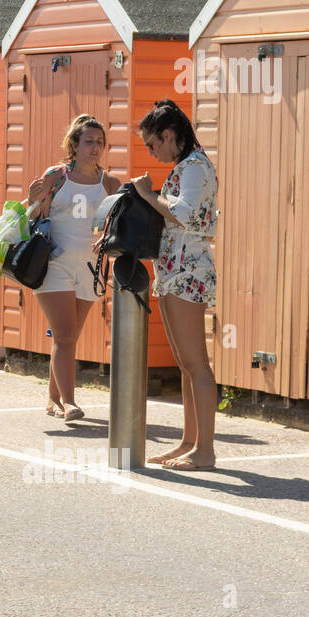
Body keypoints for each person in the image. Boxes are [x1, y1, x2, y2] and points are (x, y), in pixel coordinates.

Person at [129, 99, 219, 470]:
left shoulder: (196, 168)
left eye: (153, 144)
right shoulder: (187, 166)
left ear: (169, 135)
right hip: (173, 271)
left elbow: (183, 214)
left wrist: (148, 195)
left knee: (196, 364)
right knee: (186, 363)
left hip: (187, 272)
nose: (152, 151)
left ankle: (206, 451)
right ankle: (189, 441)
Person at [24, 114, 121, 422]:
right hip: (54, 263)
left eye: (100, 142)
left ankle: (53, 399)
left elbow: (115, 226)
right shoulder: (57, 176)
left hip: (91, 269)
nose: (95, 148)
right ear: (74, 145)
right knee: (65, 334)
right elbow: (31, 218)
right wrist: (33, 199)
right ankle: (69, 401)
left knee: (68, 337)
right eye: (88, 141)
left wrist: (107, 237)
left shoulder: (110, 183)